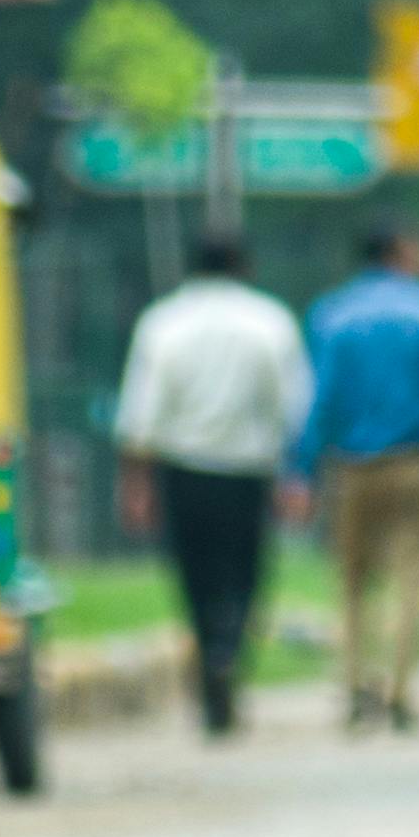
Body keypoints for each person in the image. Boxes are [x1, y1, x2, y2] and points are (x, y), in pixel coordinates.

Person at [114, 228, 308, 735]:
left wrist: (136, 483)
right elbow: (293, 407)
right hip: (249, 471)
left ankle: (208, 654)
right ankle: (229, 652)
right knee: (245, 574)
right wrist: (296, 476)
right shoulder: (270, 321)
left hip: (184, 469)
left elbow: (141, 411)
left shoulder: (163, 323)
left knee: (195, 575)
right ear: (245, 266)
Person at [294, 215, 419, 730]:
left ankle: (355, 686)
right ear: (403, 250)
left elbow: (319, 398)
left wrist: (302, 468)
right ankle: (400, 691)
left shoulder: (332, 315)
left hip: (351, 466)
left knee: (353, 582)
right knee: (412, 578)